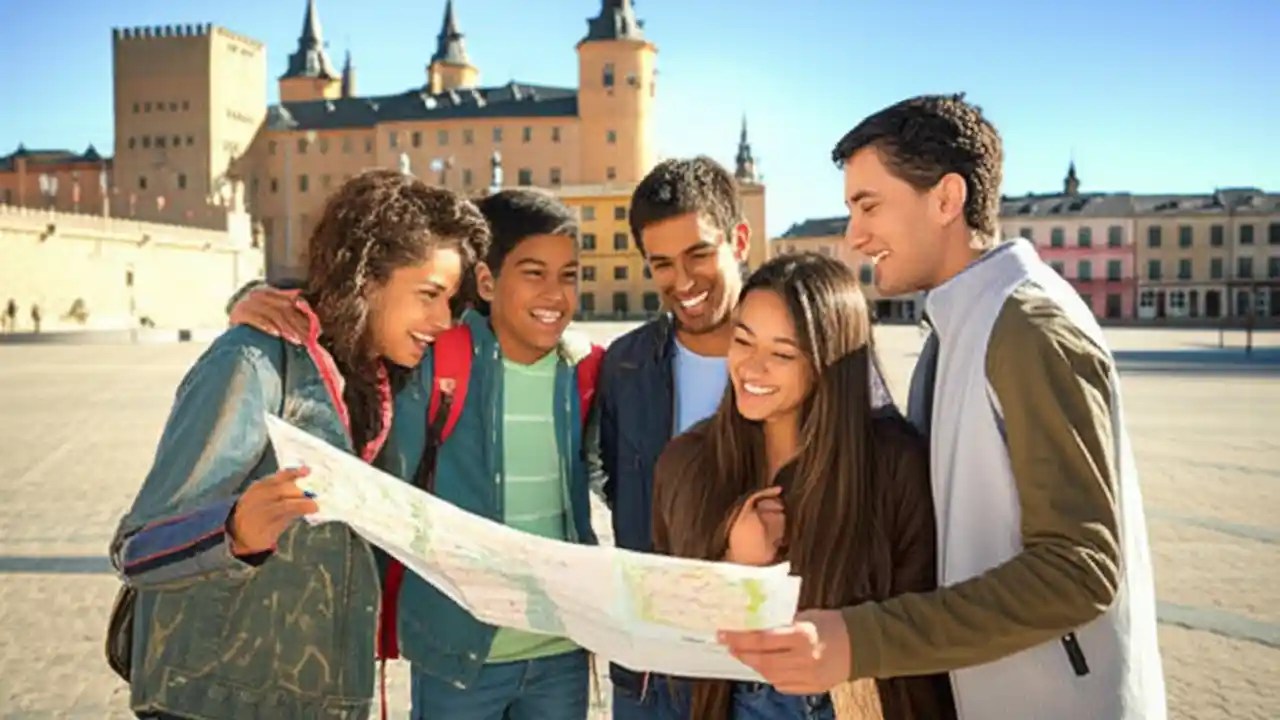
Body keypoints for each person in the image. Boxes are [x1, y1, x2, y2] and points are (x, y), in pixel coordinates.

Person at [718, 94, 1166, 720]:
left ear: (947, 199)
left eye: (869, 205)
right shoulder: (957, 327)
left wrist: (862, 640)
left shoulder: (1028, 327)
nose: (855, 235)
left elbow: (1079, 568)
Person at [109, 170, 489, 719]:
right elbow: (136, 548)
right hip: (213, 702)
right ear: (365, 280)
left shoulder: (384, 379)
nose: (442, 321)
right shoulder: (253, 363)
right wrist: (234, 531)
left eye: (450, 301)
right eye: (429, 295)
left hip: (326, 700)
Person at [230, 188, 603, 720]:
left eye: (569, 275)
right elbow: (348, 319)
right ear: (487, 281)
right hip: (457, 654)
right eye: (534, 272)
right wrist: (251, 295)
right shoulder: (436, 354)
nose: (555, 293)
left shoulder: (587, 370)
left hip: (561, 651)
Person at [597, 158, 896, 719]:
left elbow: (871, 478)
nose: (682, 281)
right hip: (652, 663)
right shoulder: (626, 365)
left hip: (777, 671)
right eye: (661, 263)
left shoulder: (825, 345)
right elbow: (625, 492)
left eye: (698, 255)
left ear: (739, 239)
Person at [651, 252, 955, 720]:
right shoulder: (688, 462)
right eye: (743, 341)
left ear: (830, 363)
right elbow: (669, 622)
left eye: (782, 354)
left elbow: (923, 629)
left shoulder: (895, 465)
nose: (752, 369)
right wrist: (736, 564)